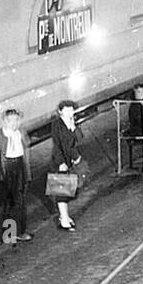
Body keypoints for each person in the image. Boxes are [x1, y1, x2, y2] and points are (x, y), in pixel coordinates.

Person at [0, 107, 33, 245]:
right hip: (5, 170)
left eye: (17, 120)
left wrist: (26, 173)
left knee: (19, 201)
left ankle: (18, 232)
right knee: (2, 203)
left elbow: (26, 151)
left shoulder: (21, 132)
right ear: (4, 121)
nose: (14, 123)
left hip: (19, 167)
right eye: (11, 121)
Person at [50, 99, 85, 231]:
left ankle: (64, 216)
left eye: (71, 110)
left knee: (68, 190)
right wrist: (61, 162)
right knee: (61, 191)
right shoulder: (56, 124)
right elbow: (56, 145)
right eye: (66, 110)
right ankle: (64, 219)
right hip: (60, 161)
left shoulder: (72, 123)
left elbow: (80, 139)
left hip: (70, 160)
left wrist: (74, 127)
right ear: (60, 112)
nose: (70, 112)